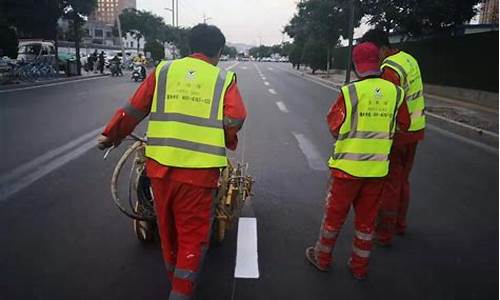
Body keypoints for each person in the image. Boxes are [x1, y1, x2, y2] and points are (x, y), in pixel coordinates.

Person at [97, 23, 246, 299]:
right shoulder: (224, 79)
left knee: (167, 229)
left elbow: (134, 109)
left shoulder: (164, 71)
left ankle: (173, 279)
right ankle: (181, 291)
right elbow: (235, 118)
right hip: (200, 174)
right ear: (220, 51)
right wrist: (227, 138)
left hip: (160, 170)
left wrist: (111, 135)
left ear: (190, 47)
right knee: (193, 235)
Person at [305, 42, 410, 280]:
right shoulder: (396, 93)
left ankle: (322, 258)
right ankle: (359, 267)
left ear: (355, 66)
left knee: (334, 215)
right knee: (366, 220)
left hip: (346, 170)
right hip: (377, 169)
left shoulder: (350, 92)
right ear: (379, 63)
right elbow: (404, 125)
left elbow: (334, 126)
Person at [361, 29, 426, 246]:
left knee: (390, 184)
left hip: (398, 133)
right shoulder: (408, 58)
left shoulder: (389, 69)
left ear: (381, 48)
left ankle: (384, 233)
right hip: (415, 130)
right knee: (403, 181)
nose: (372, 57)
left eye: (372, 52)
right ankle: (400, 224)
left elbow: (386, 105)